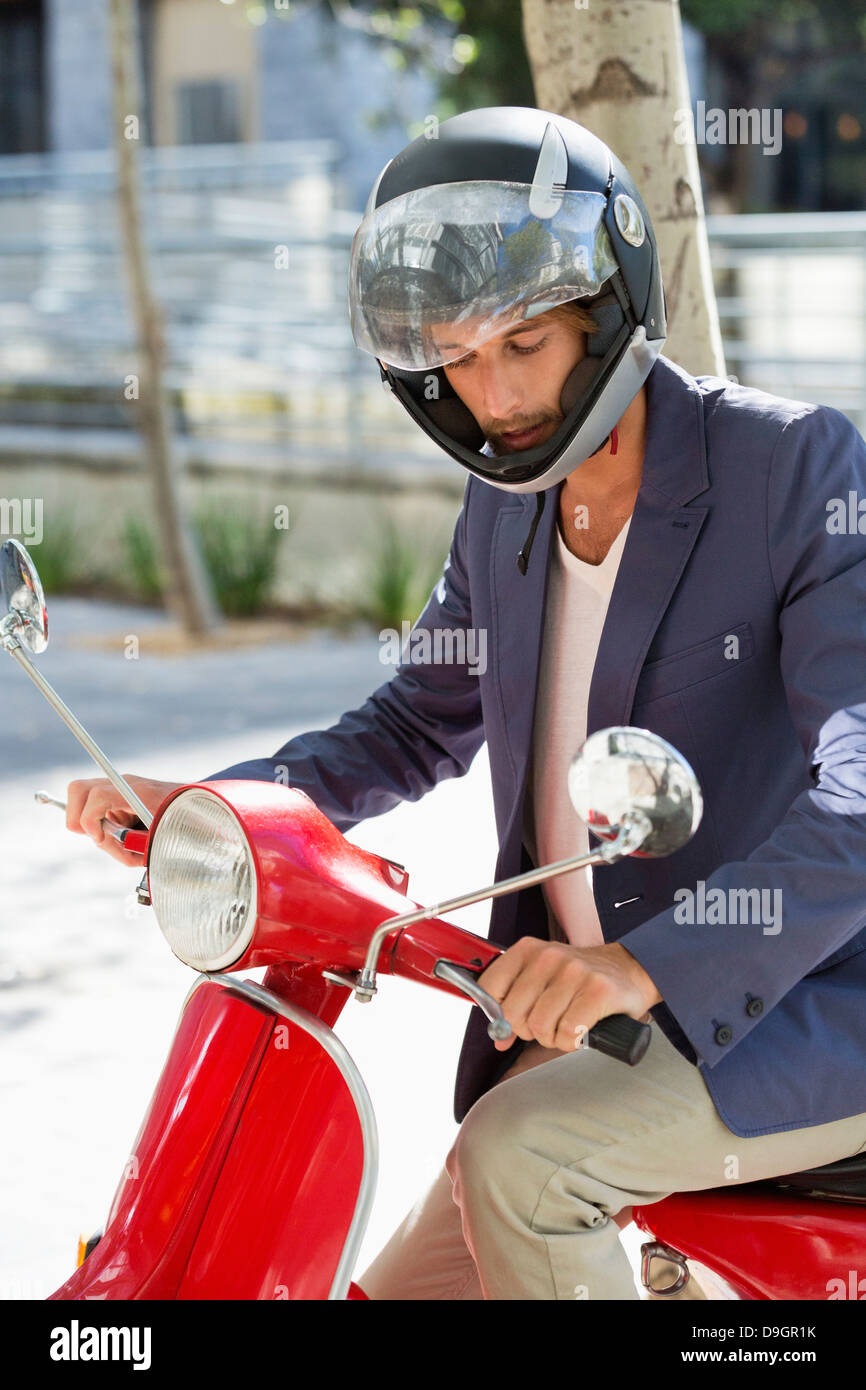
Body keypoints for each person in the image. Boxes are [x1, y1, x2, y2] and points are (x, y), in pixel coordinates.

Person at [65, 107, 866, 1300]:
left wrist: (647, 965)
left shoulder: (793, 469)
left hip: (790, 1017)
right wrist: (232, 802)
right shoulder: (509, 504)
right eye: (454, 357)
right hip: (575, 1044)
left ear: (606, 312)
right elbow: (415, 720)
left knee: (518, 1160)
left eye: (522, 345)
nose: (491, 397)